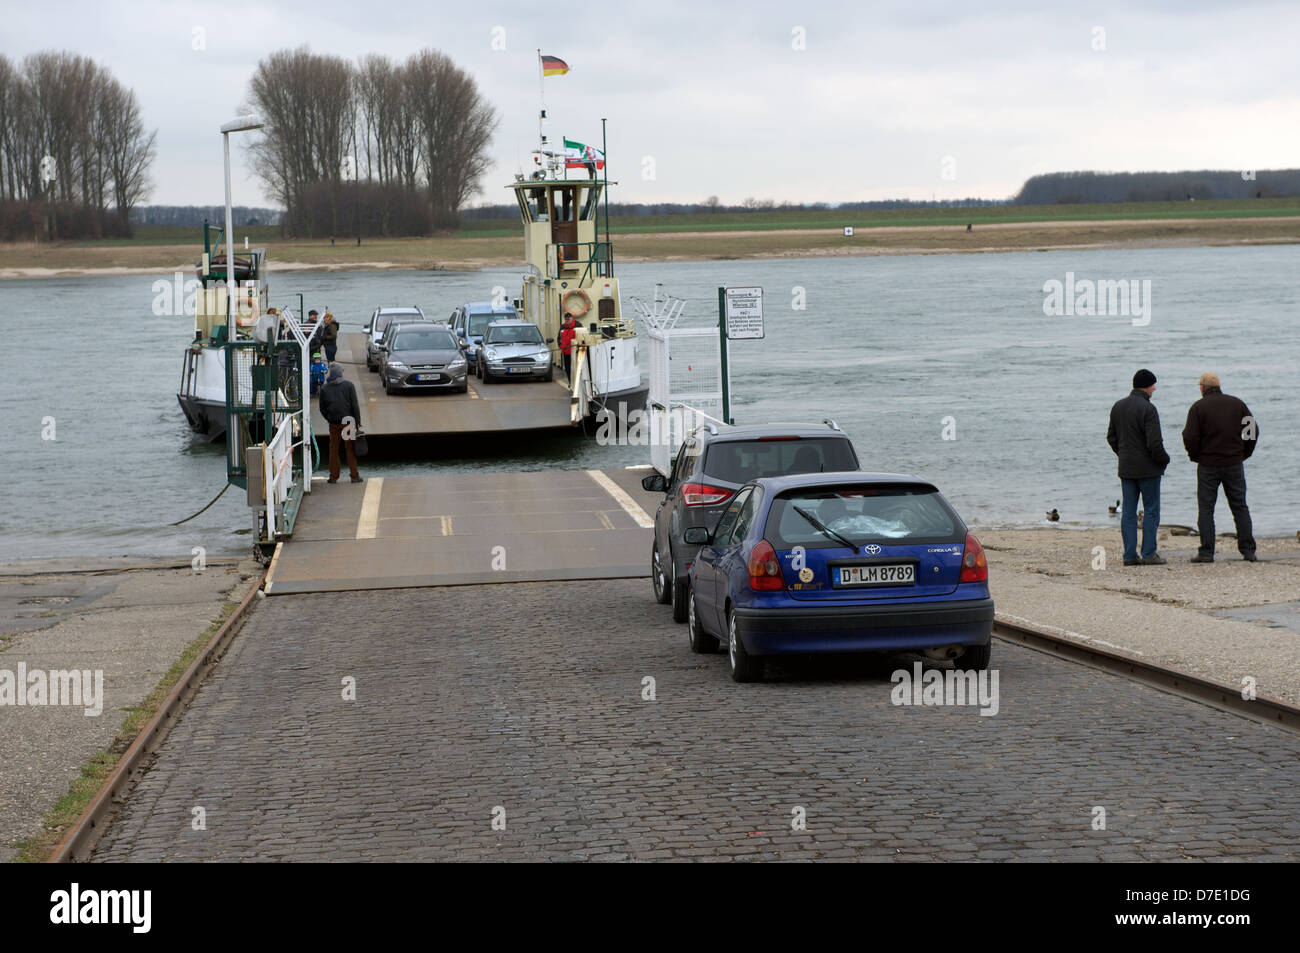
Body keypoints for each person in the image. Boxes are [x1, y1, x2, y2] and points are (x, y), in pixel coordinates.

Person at [1181, 372, 1258, 562]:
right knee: (1240, 506)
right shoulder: (1237, 404)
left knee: (1206, 509)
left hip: (1208, 465)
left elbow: (1189, 436)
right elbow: (1252, 430)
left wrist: (1196, 456)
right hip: (1233, 463)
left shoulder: (1198, 408)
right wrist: (1244, 453)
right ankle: (1248, 551)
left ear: (1202, 388)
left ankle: (1207, 552)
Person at [1106, 369, 1171, 566]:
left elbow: (1111, 437)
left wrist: (1123, 454)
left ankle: (1129, 555)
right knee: (1151, 510)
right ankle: (1149, 553)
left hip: (1127, 468)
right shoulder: (1148, 409)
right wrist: (1164, 460)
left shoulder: (1118, 406)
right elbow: (1154, 443)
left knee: (1128, 511)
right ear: (1146, 386)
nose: (1155, 388)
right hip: (1148, 469)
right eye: (1153, 385)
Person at [318, 363, 362, 484]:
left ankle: (333, 476)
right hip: (348, 421)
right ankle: (354, 476)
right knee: (350, 449)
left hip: (334, 422)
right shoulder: (348, 385)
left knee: (333, 449)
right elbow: (355, 405)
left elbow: (322, 408)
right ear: (339, 373)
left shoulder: (324, 388)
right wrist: (358, 422)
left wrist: (329, 418)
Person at [559, 315, 577, 382]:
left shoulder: (577, 325)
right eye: (566, 319)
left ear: (572, 318)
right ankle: (570, 382)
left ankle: (575, 382)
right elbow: (559, 338)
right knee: (568, 369)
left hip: (574, 352)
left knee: (574, 369)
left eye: (568, 319)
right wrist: (561, 347)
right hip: (566, 352)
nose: (567, 321)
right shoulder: (562, 327)